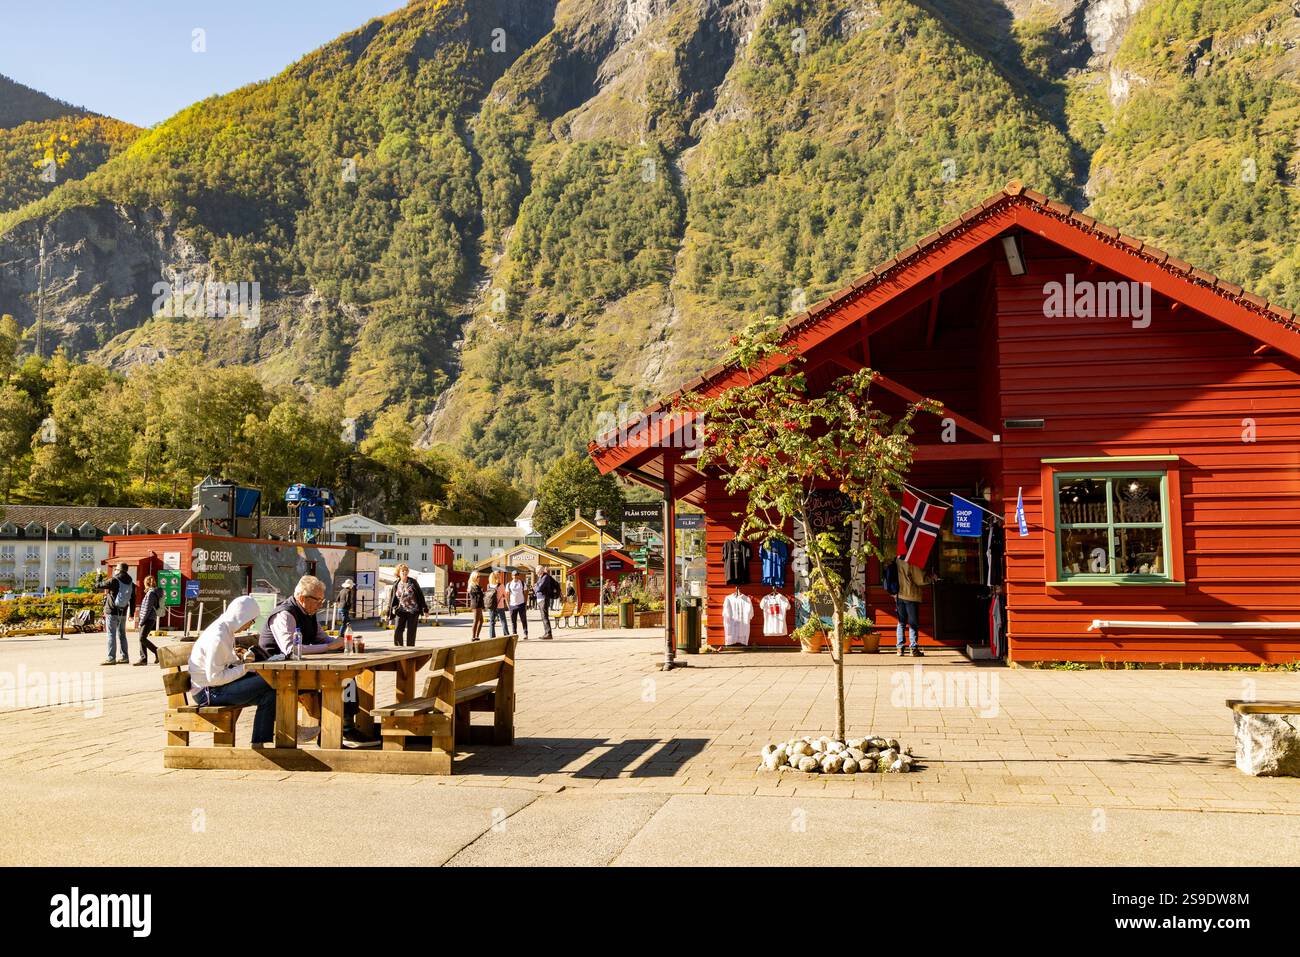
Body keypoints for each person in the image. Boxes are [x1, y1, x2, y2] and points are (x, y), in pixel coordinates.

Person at [189, 595, 276, 745]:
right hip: (208, 693)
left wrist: (243, 664)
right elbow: (214, 678)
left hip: (215, 688)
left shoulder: (225, 629)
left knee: (270, 693)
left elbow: (225, 664)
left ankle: (260, 743)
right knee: (271, 680)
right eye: (251, 620)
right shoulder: (218, 636)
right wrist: (245, 668)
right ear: (242, 617)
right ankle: (288, 726)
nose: (250, 625)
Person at [259, 575, 344, 659]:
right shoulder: (285, 614)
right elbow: (291, 649)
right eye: (318, 600)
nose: (320, 605)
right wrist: (328, 646)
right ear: (302, 598)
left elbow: (322, 638)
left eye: (322, 600)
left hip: (293, 664)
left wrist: (344, 642)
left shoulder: (308, 611)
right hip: (271, 667)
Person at [98, 563, 134, 665]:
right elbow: (133, 597)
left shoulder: (114, 579)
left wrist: (98, 575)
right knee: (122, 635)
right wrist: (131, 613)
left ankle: (111, 658)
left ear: (119, 570)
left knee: (111, 634)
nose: (114, 571)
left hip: (112, 611)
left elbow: (98, 585)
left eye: (115, 569)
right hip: (123, 611)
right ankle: (124, 657)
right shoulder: (131, 581)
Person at [895, 557, 930, 656]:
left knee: (901, 622)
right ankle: (913, 649)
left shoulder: (898, 559)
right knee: (913, 623)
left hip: (899, 595)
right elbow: (920, 580)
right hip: (911, 595)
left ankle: (899, 648)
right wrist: (931, 578)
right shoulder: (912, 560)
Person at [386, 563, 427, 648]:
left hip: (413, 611)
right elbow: (392, 599)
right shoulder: (396, 584)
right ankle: (398, 649)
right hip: (400, 610)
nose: (404, 572)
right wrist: (388, 613)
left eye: (406, 571)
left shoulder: (412, 582)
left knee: (411, 631)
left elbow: (420, 595)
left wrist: (425, 609)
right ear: (398, 573)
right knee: (398, 630)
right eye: (402, 571)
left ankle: (410, 649)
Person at [133, 575, 164, 666]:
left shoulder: (151, 594)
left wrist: (141, 621)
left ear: (146, 583)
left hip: (148, 618)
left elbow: (147, 609)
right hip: (149, 618)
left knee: (142, 638)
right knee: (142, 638)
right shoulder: (153, 592)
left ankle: (157, 652)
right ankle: (143, 659)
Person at [534, 567, 560, 640]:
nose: (536, 573)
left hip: (544, 599)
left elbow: (539, 588)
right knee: (543, 617)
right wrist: (536, 587)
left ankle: (548, 633)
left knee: (545, 616)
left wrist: (535, 587)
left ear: (540, 571)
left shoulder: (545, 577)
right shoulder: (541, 577)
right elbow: (537, 587)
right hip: (540, 599)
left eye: (537, 571)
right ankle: (546, 633)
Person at [486, 572, 509, 640]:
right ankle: (506, 635)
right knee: (503, 621)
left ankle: (492, 637)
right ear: (497, 577)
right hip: (500, 606)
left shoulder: (488, 585)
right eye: (498, 576)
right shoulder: (501, 586)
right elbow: (505, 595)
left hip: (491, 606)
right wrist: (508, 605)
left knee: (492, 622)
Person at [506, 570, 529, 640]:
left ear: (518, 576)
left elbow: (526, 593)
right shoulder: (509, 584)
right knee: (513, 621)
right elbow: (507, 594)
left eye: (516, 575)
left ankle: (525, 633)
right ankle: (514, 634)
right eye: (514, 575)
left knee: (523, 620)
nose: (515, 576)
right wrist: (508, 604)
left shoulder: (522, 583)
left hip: (521, 604)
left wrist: (525, 603)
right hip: (512, 605)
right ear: (512, 576)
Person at [467, 571, 486, 641]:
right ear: (474, 577)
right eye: (478, 576)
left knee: (481, 621)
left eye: (479, 576)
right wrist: (481, 592)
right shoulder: (472, 586)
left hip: (479, 604)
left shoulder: (476, 585)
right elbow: (477, 596)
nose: (479, 578)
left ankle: (477, 636)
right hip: (476, 605)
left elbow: (480, 595)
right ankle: (473, 636)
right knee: (476, 621)